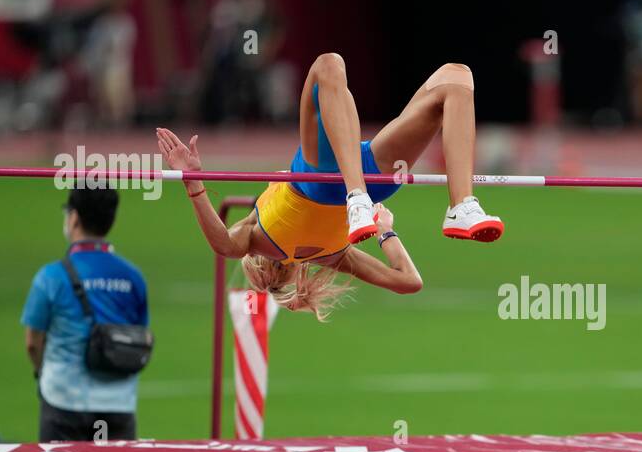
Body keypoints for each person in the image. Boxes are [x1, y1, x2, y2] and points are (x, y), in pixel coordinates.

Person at [155, 52, 503, 320]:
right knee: (327, 65)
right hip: (325, 180)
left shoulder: (336, 255)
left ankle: (461, 207)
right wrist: (193, 183)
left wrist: (386, 232)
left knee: (455, 78)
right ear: (259, 262)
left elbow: (409, 282)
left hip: (370, 177)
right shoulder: (259, 239)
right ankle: (377, 196)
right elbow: (222, 245)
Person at [21, 184, 149, 441]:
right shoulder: (133, 277)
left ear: (74, 217)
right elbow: (141, 336)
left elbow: (33, 344)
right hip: (118, 405)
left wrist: (40, 373)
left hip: (63, 402)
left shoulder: (51, 277)